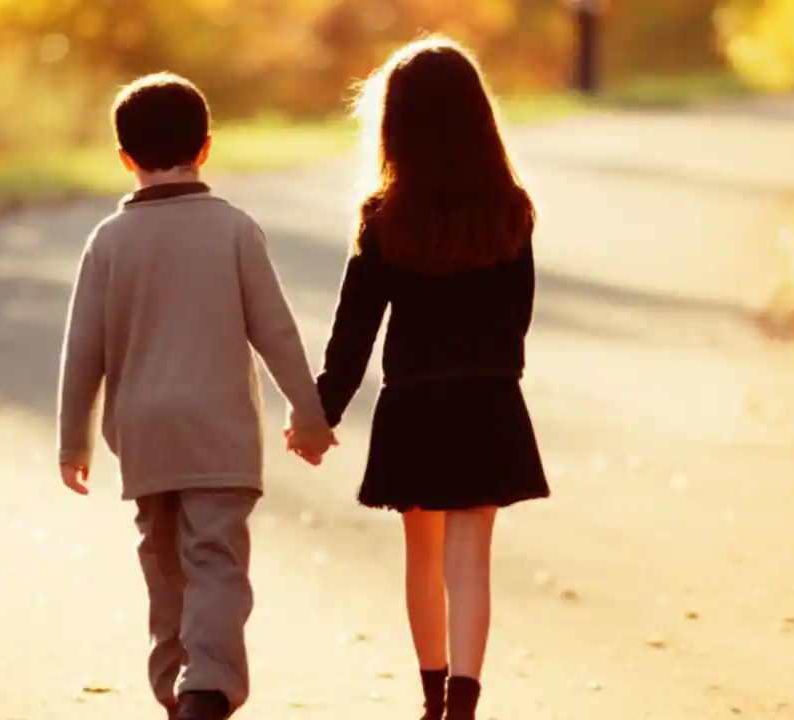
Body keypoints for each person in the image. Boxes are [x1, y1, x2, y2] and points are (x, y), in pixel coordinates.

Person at [56, 72, 336, 720]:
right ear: (206, 147)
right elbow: (276, 330)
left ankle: (171, 686)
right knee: (215, 561)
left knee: (163, 566)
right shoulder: (235, 230)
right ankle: (205, 688)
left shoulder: (109, 241)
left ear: (125, 159)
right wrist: (309, 414)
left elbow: (83, 352)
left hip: (145, 435)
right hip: (219, 433)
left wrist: (73, 442)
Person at [311, 37, 550, 720]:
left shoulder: (386, 216)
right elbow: (518, 315)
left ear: (397, 124)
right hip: (489, 397)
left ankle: (431, 693)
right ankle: (466, 703)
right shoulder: (511, 209)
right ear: (480, 118)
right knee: (472, 558)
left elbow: (353, 329)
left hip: (415, 403)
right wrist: (496, 372)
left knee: (424, 554)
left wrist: (322, 411)